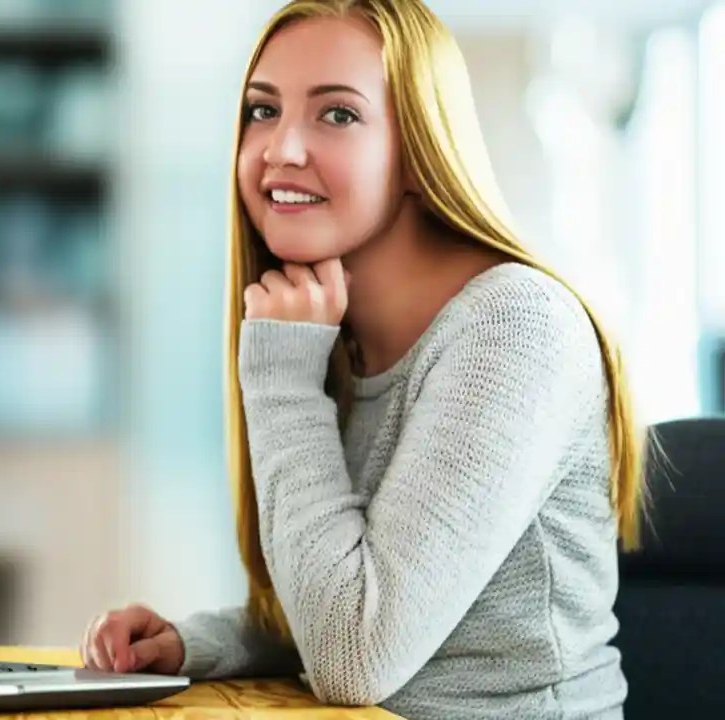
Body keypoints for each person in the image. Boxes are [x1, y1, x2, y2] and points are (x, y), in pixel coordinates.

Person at [79, 1, 644, 718]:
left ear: (418, 150)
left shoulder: (514, 331)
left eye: (337, 115)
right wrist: (198, 644)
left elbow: (356, 656)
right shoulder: (336, 334)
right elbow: (342, 601)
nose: (280, 149)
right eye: (262, 110)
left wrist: (284, 378)